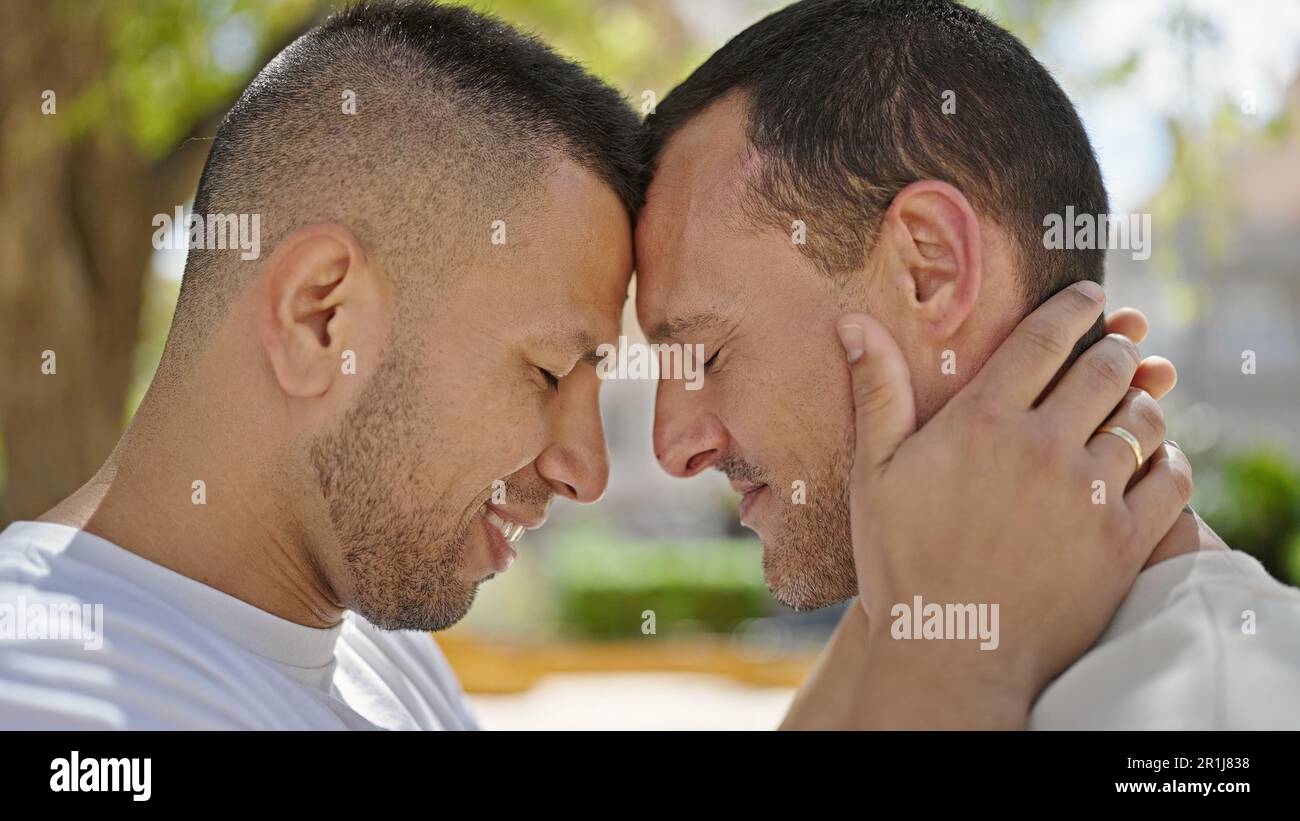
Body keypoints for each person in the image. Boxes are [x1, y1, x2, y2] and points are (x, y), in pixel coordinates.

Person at [1, 0, 1189, 731]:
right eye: (547, 372)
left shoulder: (378, 658)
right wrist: (952, 666)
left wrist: (926, 566)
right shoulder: (54, 690)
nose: (589, 469)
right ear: (320, 315)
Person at [636, 0, 1300, 729]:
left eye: (708, 351)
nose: (673, 446)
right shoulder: (916, 647)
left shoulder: (1224, 707)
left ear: (930, 269)